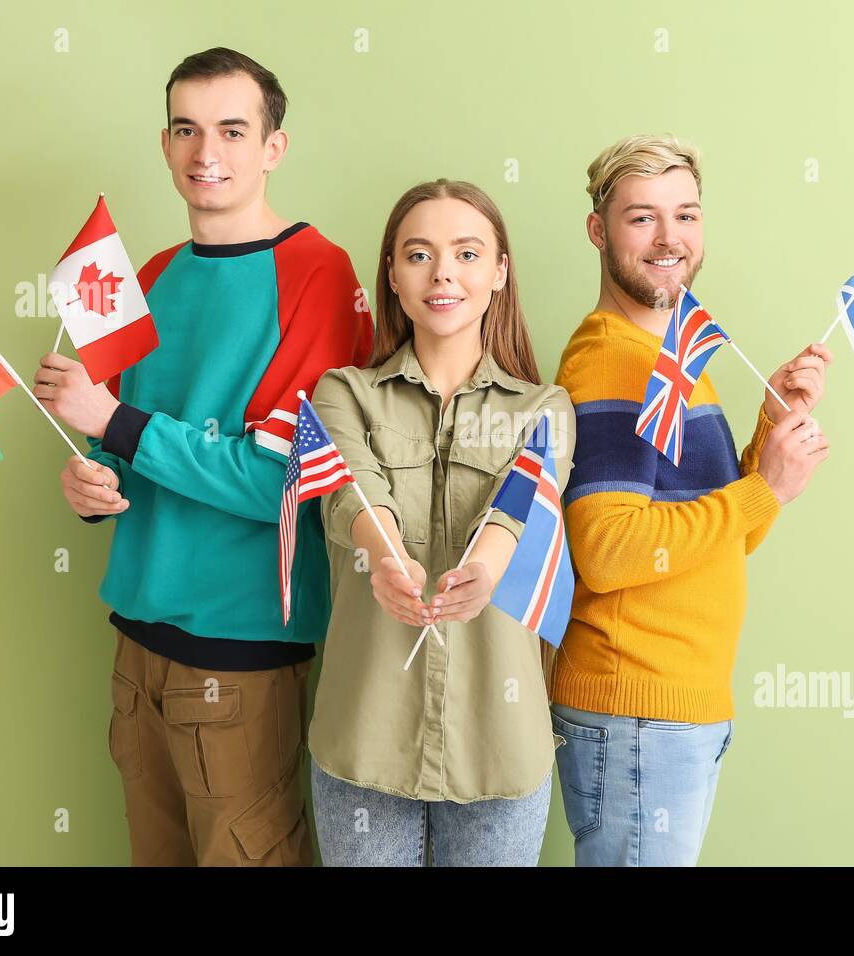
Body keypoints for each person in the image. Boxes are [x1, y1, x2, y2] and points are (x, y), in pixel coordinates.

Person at [34, 47, 372, 866]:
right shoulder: (146, 275)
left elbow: (282, 486)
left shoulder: (318, 274)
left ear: (272, 147)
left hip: (241, 654)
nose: (206, 153)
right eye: (186, 129)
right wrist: (91, 480)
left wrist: (114, 426)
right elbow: (110, 450)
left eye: (231, 129)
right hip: (135, 645)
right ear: (165, 143)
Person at [550, 134, 832, 866]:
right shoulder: (615, 357)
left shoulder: (671, 352)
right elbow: (607, 550)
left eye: (686, 215)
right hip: (638, 708)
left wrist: (771, 427)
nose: (669, 238)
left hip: (673, 709)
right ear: (598, 231)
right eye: (642, 218)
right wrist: (764, 488)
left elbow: (722, 536)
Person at [307, 179, 575, 866]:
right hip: (363, 737)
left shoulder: (544, 408)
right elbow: (351, 495)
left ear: (499, 273)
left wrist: (482, 570)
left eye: (466, 253)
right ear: (392, 275)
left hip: (500, 747)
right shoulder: (343, 394)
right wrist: (388, 558)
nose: (443, 273)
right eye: (420, 255)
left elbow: (517, 507)